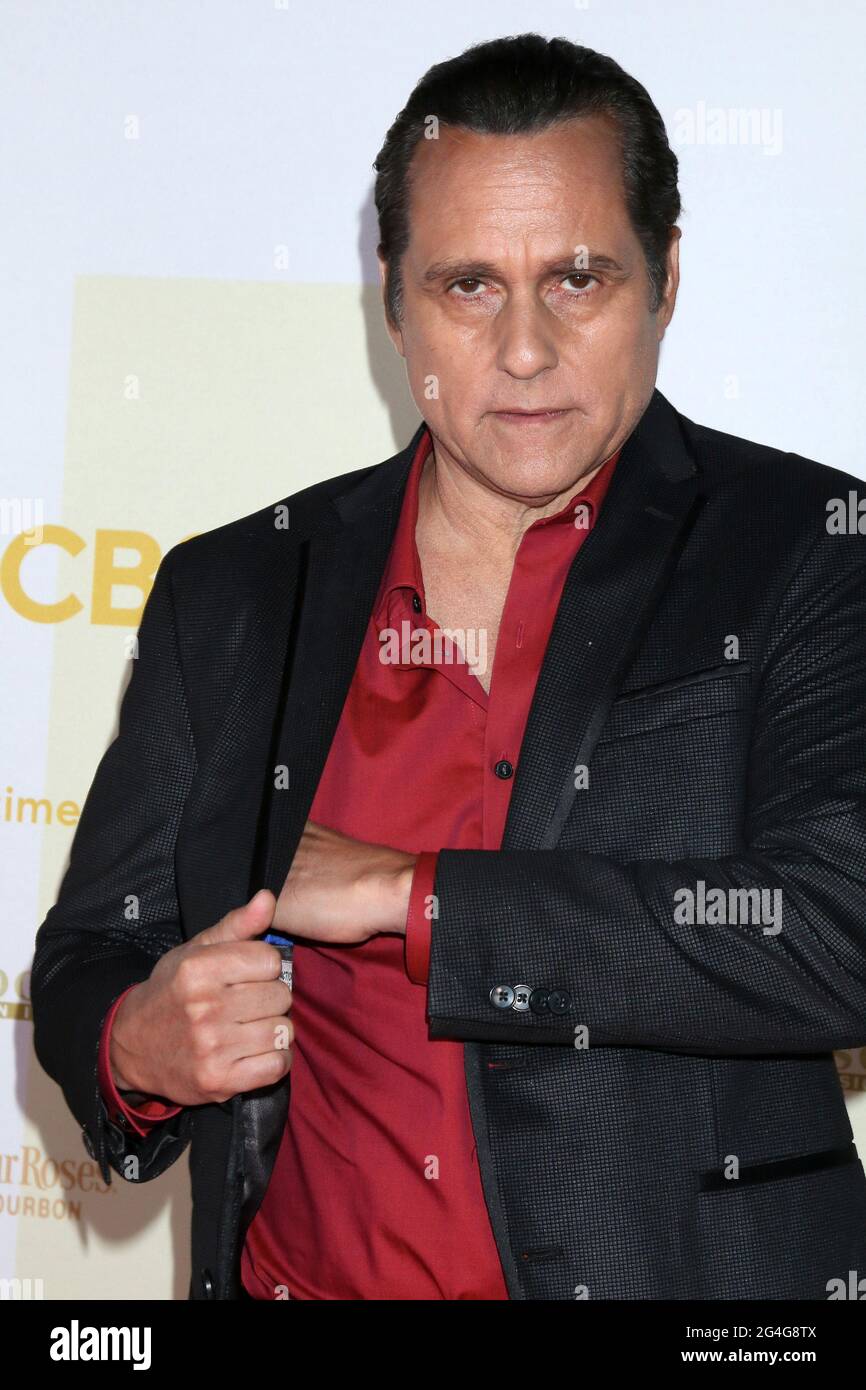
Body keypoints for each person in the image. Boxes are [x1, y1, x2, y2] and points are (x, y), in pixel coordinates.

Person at [32, 32, 866, 1301]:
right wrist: (136, 1043)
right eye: (468, 286)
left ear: (666, 279)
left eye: (577, 279)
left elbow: (835, 934)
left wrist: (410, 898)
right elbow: (97, 944)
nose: (523, 349)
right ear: (393, 299)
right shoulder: (242, 586)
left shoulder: (803, 547)